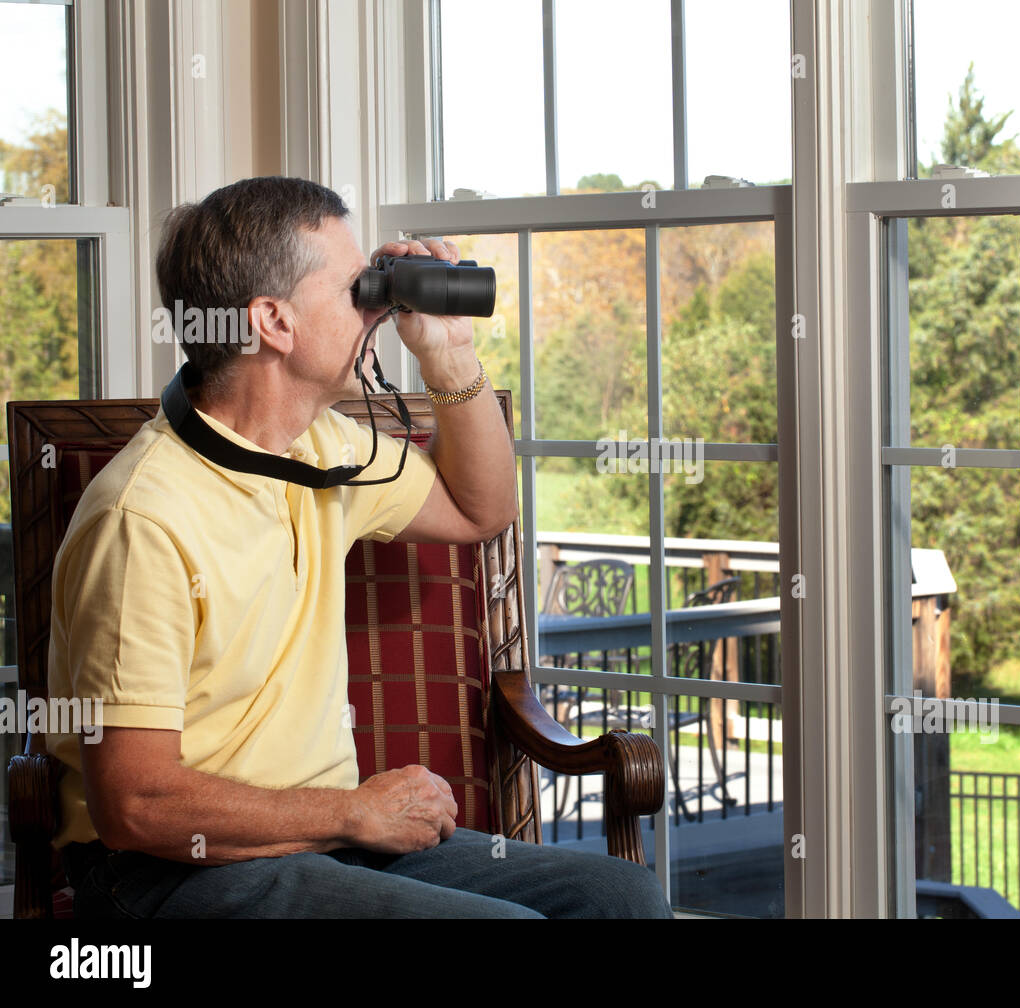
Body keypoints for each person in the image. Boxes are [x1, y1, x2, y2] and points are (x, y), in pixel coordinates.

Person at [44, 175, 672, 919]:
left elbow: (482, 509)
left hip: (324, 837)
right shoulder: (142, 517)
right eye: (356, 288)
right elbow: (134, 803)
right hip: (167, 871)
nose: (379, 303)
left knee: (619, 896)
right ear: (273, 321)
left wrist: (449, 354)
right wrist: (349, 813)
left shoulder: (321, 446)